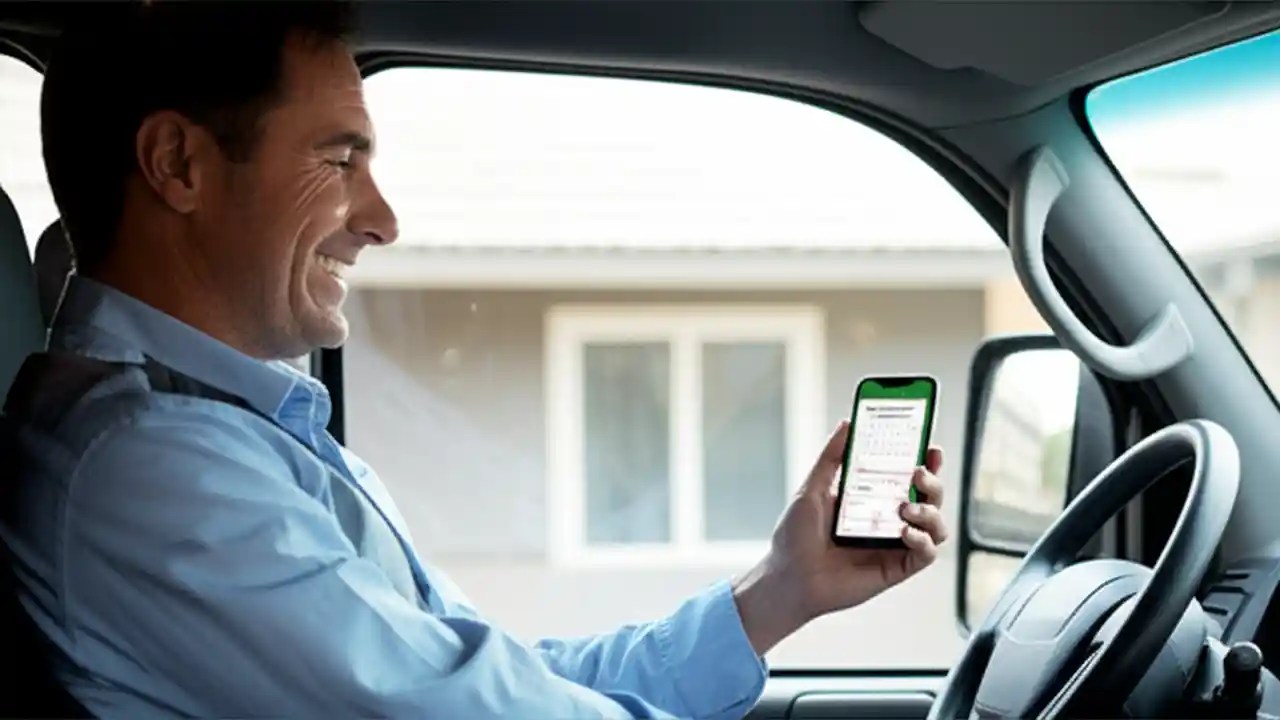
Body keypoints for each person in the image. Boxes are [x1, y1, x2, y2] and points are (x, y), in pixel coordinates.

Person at [0, 3, 949, 717]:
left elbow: (494, 680)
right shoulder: (152, 468)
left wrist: (779, 591)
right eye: (339, 160)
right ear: (178, 165)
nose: (382, 220)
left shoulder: (217, 434)